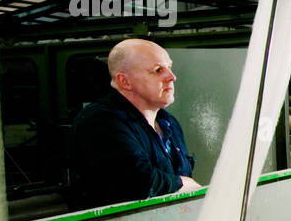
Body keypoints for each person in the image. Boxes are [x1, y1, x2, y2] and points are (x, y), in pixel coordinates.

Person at [69, 39, 203, 208]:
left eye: (169, 67)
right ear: (125, 81)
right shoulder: (100, 122)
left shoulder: (169, 122)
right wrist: (183, 183)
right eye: (158, 70)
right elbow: (140, 183)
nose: (171, 77)